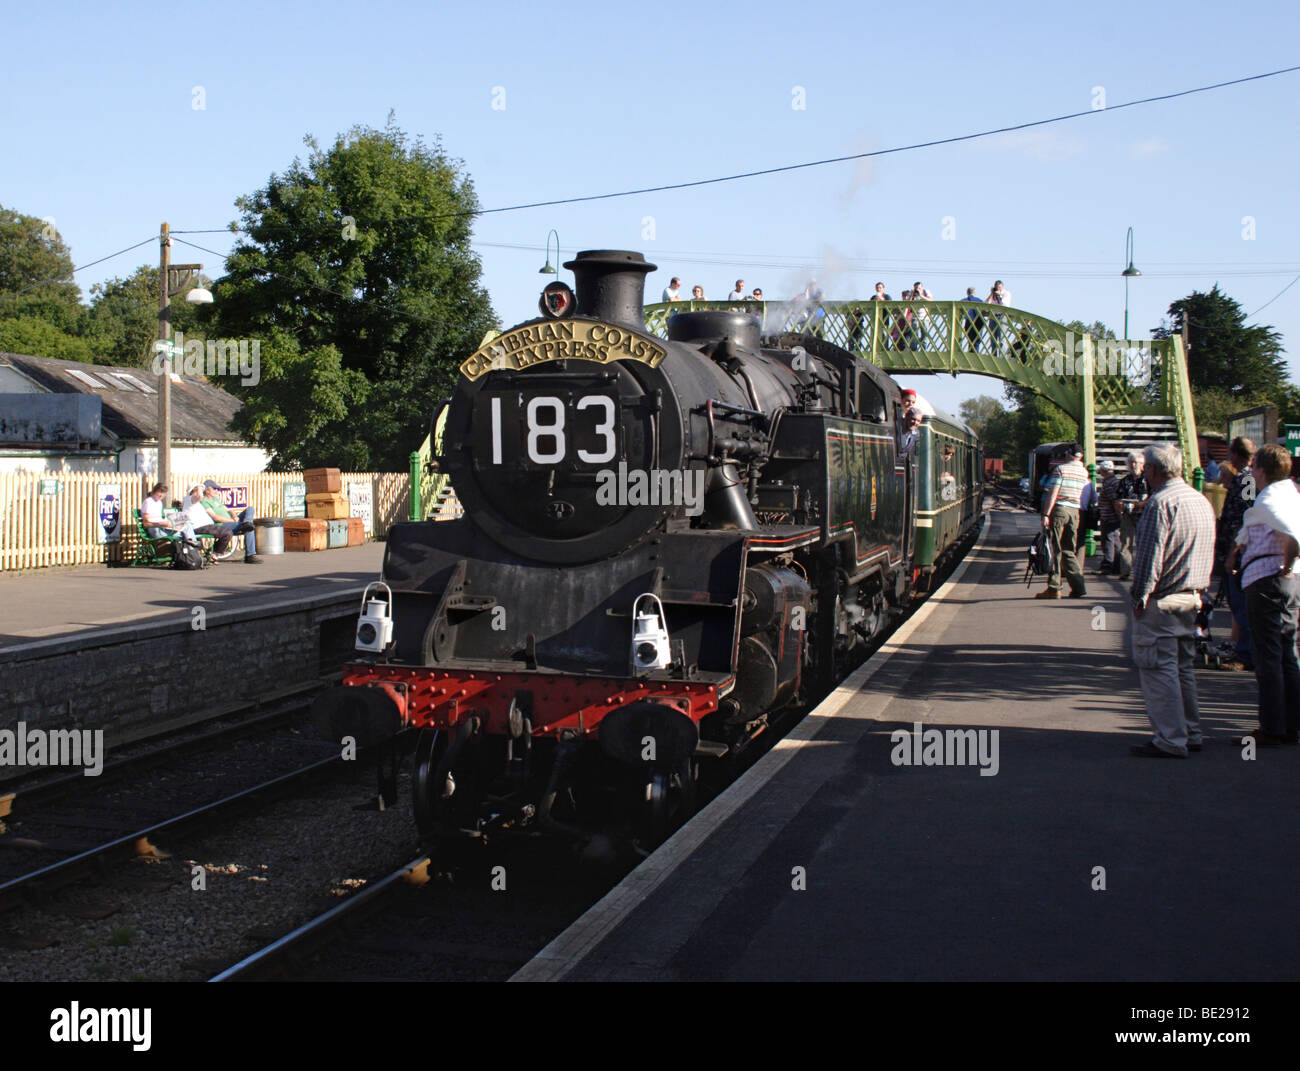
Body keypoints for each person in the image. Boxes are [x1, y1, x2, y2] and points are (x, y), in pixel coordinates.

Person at [1127, 443, 1216, 757]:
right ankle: (1191, 732)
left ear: (1151, 470)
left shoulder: (1158, 504)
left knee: (1158, 670)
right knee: (1182, 669)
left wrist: (1138, 596)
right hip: (1192, 597)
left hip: (1162, 600)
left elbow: (1149, 559)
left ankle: (1170, 739)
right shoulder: (1200, 500)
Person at [1226, 444, 1300, 746]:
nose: (1251, 473)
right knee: (1286, 653)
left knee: (1267, 655)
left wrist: (1288, 562)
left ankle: (1271, 726)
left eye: (1254, 467)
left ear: (1261, 469)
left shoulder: (1270, 499)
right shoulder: (1289, 494)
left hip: (1268, 581)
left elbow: (1291, 535)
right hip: (1287, 582)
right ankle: (1289, 724)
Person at [1216, 437, 1257, 671]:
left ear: (1236, 454)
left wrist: (1233, 550)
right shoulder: (1247, 478)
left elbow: (1244, 517)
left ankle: (1244, 653)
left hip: (1239, 550)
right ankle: (1242, 648)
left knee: (1239, 601)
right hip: (1239, 547)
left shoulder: (1247, 479)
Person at [1035, 444, 1088, 599]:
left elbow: (1053, 493)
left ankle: (1054, 587)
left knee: (1055, 549)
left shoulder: (1061, 470)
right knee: (1069, 550)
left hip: (1059, 510)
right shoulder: (1084, 473)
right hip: (1075, 512)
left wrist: (1045, 514)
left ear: (1069, 454)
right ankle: (1079, 587)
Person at [200, 480, 262, 564]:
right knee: (248, 528)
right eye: (214, 489)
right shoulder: (204, 502)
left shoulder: (216, 500)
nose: (216, 491)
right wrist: (232, 520)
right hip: (222, 525)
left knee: (250, 509)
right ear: (207, 491)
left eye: (217, 489)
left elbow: (229, 510)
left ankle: (246, 523)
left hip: (232, 521)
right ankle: (250, 555)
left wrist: (234, 516)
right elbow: (215, 517)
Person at [1115, 449, 1150, 579]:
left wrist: (1139, 504)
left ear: (1142, 464)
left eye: (1136, 462)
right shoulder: (1125, 480)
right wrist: (1121, 505)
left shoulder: (1147, 480)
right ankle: (1125, 571)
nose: (1133, 465)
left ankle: (1142, 572)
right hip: (1128, 515)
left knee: (1143, 543)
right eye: (1131, 462)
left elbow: (1153, 497)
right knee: (1125, 544)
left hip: (1144, 515)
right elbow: (1117, 497)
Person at [182, 486, 233, 556]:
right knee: (227, 533)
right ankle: (215, 554)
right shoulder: (191, 499)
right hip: (201, 527)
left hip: (205, 526)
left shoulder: (192, 501)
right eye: (199, 490)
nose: (202, 492)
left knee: (226, 532)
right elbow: (199, 496)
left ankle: (212, 553)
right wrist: (199, 487)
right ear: (194, 491)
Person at [1096, 459, 1122, 575]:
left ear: (1103, 471)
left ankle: (1108, 565)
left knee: (1108, 540)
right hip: (1111, 515)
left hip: (1109, 516)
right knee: (1115, 540)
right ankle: (1117, 566)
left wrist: (1118, 514)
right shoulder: (1114, 481)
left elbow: (1114, 500)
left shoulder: (1109, 483)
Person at [962, 287, 982, 352]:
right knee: (977, 341)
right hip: (978, 322)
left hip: (968, 321)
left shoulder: (963, 301)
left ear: (967, 293)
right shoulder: (979, 301)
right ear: (974, 293)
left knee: (970, 340)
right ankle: (976, 353)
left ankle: (970, 353)